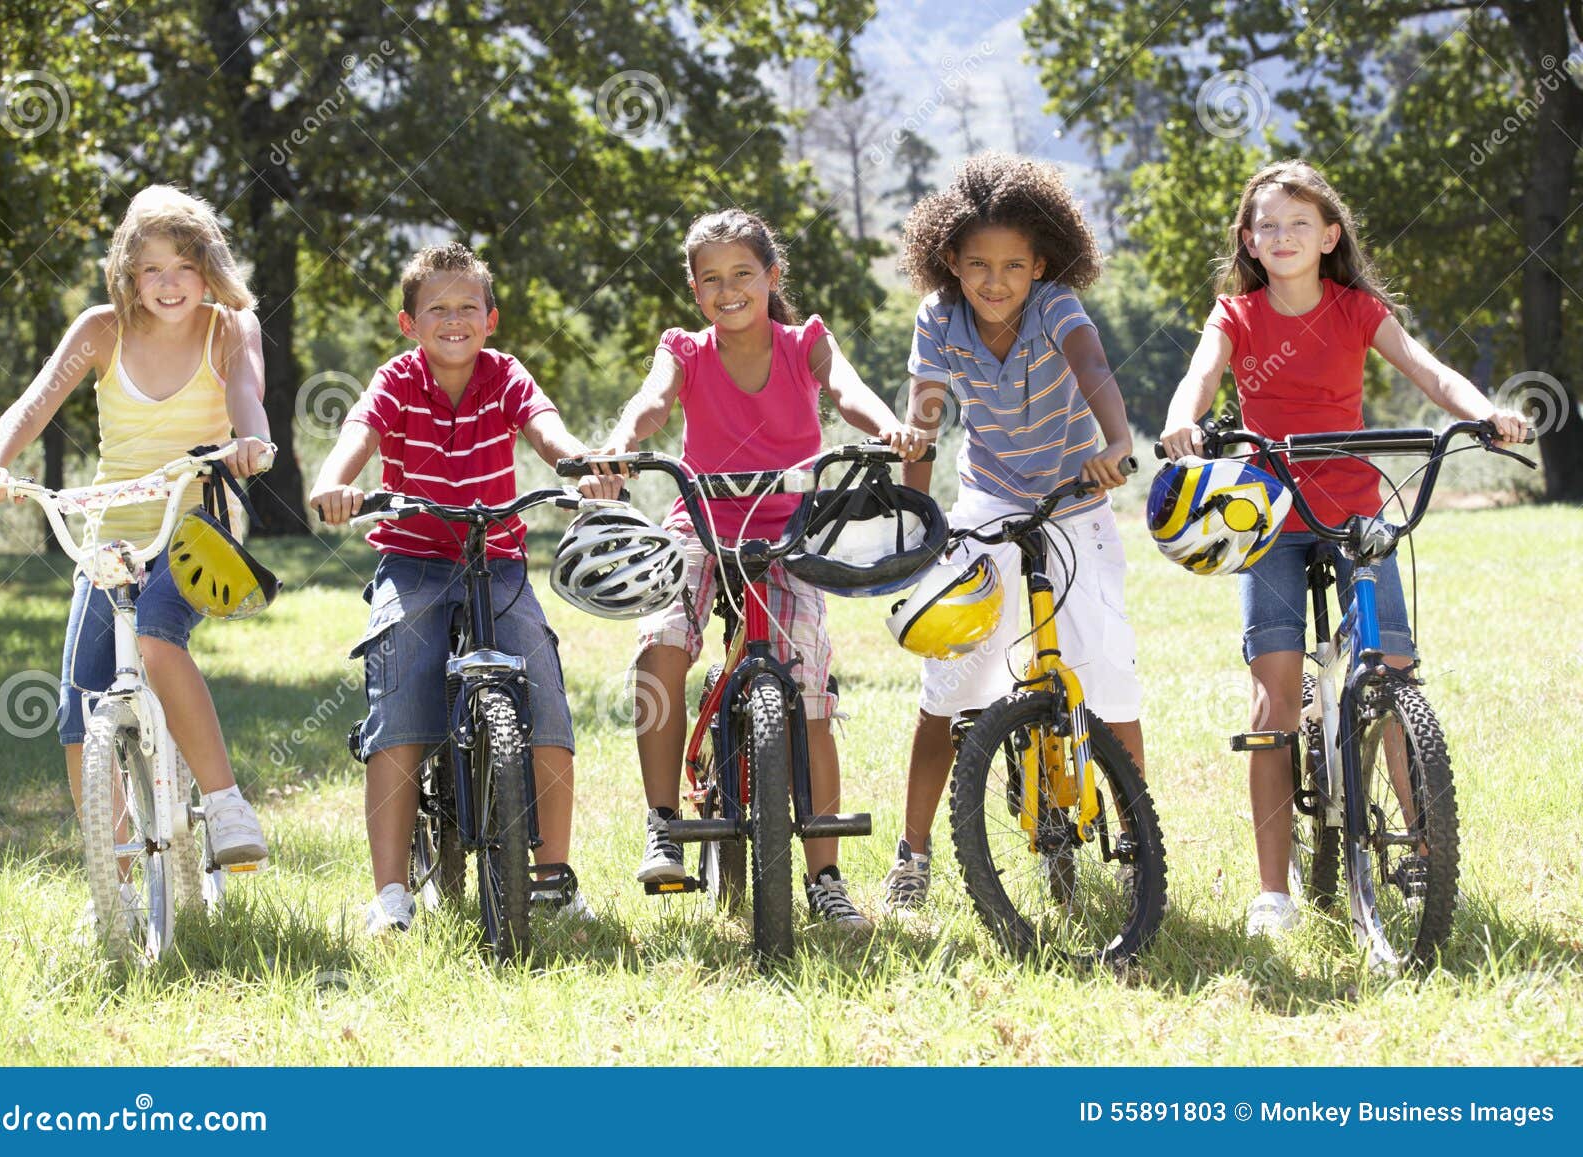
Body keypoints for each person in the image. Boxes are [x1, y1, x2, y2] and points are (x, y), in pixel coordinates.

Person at [1157, 159, 1528, 939]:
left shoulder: (1359, 309)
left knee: (1391, 675)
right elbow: (1199, 377)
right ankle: (1272, 893)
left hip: (1356, 513)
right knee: (1276, 701)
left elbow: (1429, 372)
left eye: (1300, 224)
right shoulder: (1236, 314)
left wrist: (1484, 411)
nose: (1283, 236)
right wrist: (1183, 421)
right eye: (1268, 226)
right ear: (1250, 243)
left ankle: (1426, 850)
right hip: (1269, 518)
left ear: (1329, 236)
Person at [598, 208, 925, 930]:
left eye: (743, 273)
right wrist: (621, 441)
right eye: (711, 279)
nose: (728, 289)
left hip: (787, 525)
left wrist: (887, 428)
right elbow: (652, 402)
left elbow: (848, 388)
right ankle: (662, 825)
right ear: (694, 290)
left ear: (771, 277)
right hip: (701, 521)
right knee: (660, 646)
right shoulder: (684, 349)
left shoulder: (803, 342)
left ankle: (826, 873)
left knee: (808, 687)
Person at [0, 185, 276, 930]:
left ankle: (224, 801)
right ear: (126, 274)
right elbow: (31, 404)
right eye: (151, 269)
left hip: (196, 522)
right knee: (78, 708)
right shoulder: (100, 330)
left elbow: (247, 396)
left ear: (209, 267)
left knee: (154, 633)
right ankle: (111, 882)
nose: (169, 282)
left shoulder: (229, 328)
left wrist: (249, 442)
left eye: (184, 263)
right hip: (111, 529)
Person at [309, 242, 617, 936]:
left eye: (467, 308)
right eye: (437, 309)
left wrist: (577, 463)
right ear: (407, 323)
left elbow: (547, 429)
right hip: (413, 558)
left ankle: (553, 879)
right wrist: (334, 481)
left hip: (498, 559)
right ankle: (390, 893)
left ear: (491, 317)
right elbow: (359, 430)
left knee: (543, 684)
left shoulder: (505, 376)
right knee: (400, 706)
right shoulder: (396, 379)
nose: (454, 320)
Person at [884, 152, 1143, 914]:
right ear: (948, 263)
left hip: (1074, 500)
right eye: (977, 266)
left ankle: (1137, 846)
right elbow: (925, 420)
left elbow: (1091, 363)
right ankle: (914, 853)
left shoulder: (1057, 307)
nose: (994, 282)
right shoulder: (939, 319)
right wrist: (917, 521)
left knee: (1107, 672)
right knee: (952, 681)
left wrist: (1117, 440)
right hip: (989, 500)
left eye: (1012, 266)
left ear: (1041, 265)